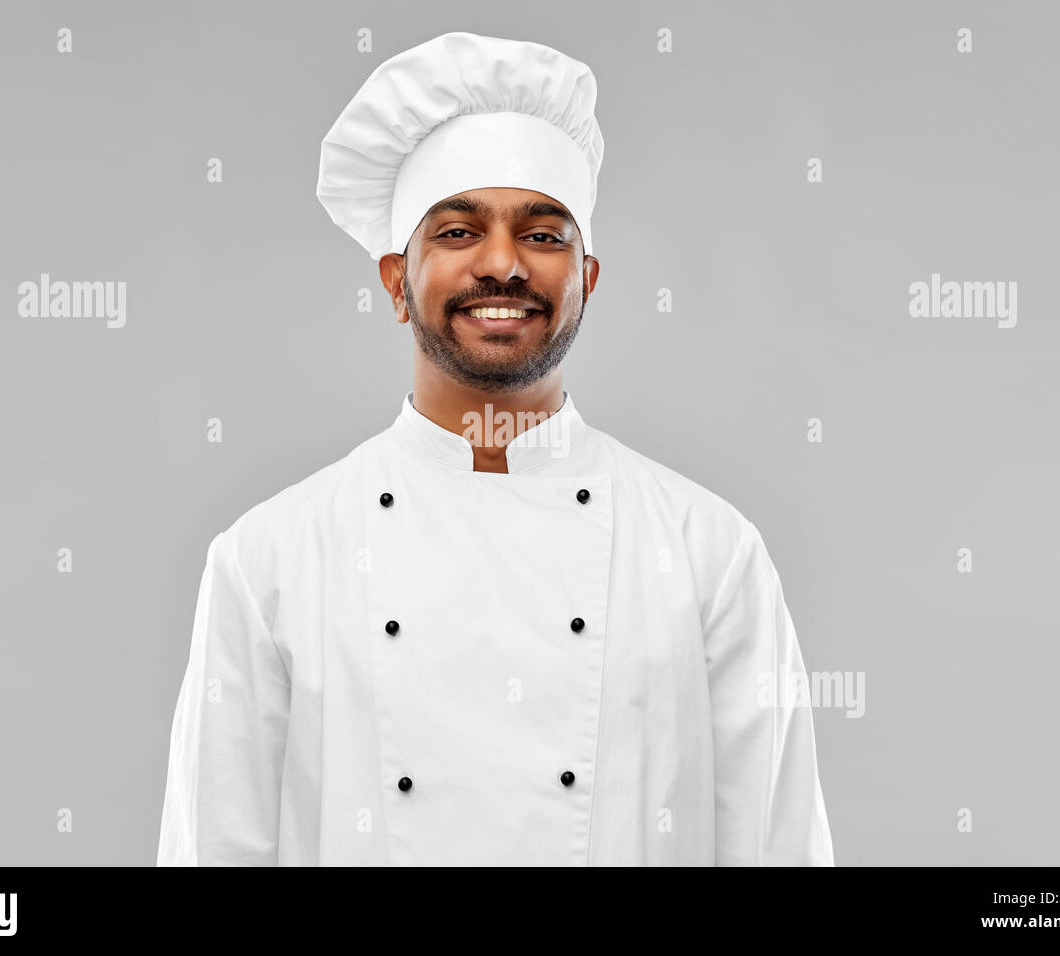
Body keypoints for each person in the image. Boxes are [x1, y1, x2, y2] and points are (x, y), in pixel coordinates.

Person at [156, 31, 835, 866]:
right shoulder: (267, 562)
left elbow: (778, 846)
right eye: (457, 232)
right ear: (397, 283)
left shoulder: (709, 555)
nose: (503, 265)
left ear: (586, 280)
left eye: (544, 235)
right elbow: (213, 849)